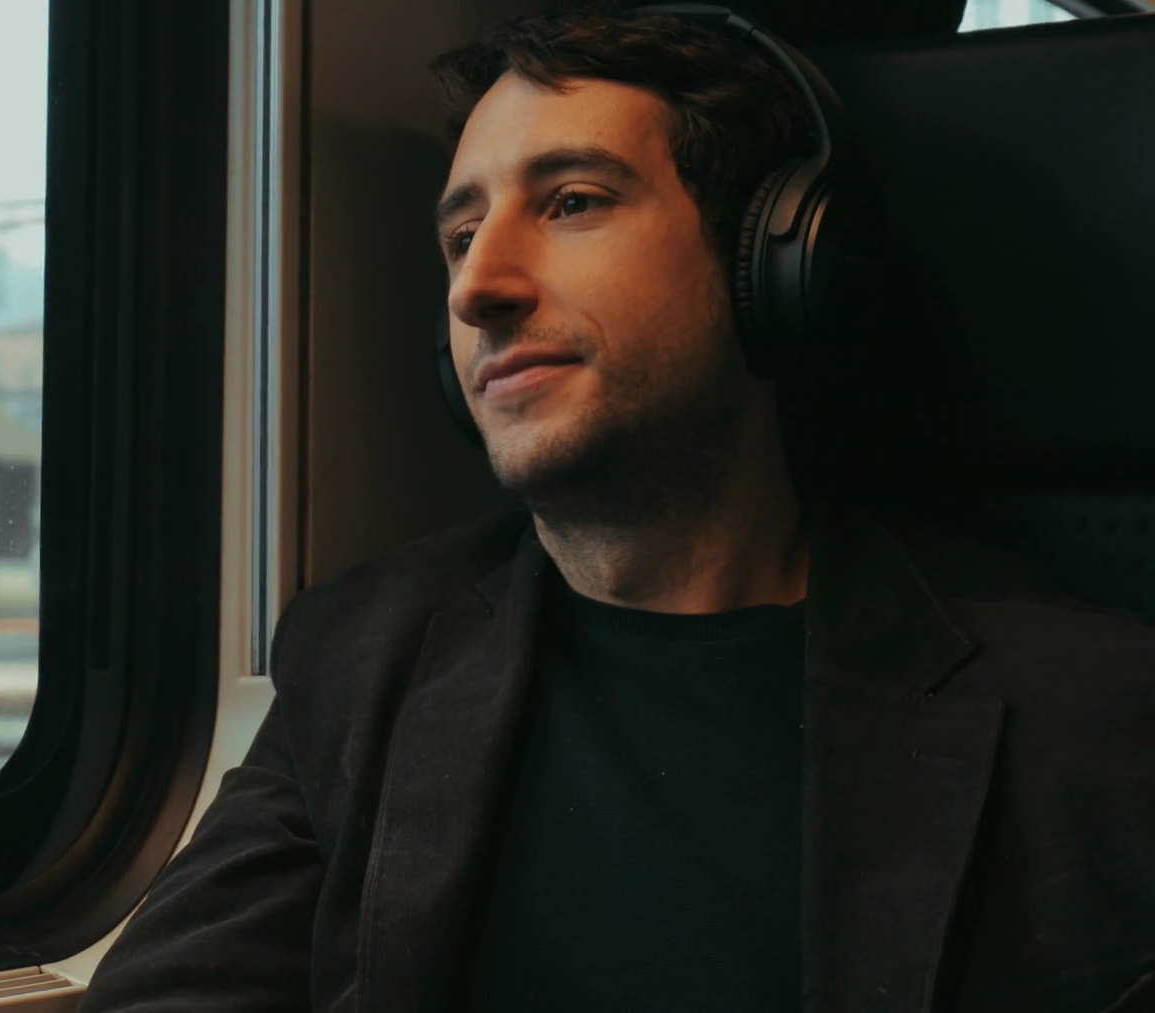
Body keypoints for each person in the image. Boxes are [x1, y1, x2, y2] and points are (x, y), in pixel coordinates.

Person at [78, 7, 1155, 1012]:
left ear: (771, 263)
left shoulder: (1087, 717)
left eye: (572, 202)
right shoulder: (364, 654)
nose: (477, 287)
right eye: (460, 236)